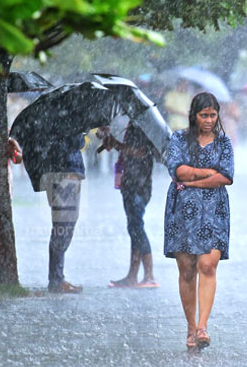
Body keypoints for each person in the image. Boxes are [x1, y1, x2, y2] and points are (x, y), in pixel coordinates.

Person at [164, 92, 233, 350]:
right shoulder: (179, 138)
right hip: (182, 212)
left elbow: (226, 176)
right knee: (187, 270)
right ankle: (190, 329)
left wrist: (191, 181)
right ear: (194, 115)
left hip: (214, 212)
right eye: (204, 115)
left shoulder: (224, 143)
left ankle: (203, 326)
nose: (209, 120)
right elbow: (176, 169)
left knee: (207, 265)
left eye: (213, 115)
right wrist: (207, 173)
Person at [100, 122, 159, 288]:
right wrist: (108, 137)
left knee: (136, 228)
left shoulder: (145, 127)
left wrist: (117, 145)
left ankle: (149, 276)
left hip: (138, 185)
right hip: (130, 183)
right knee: (134, 227)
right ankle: (132, 276)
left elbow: (140, 152)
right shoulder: (133, 126)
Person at [40, 133, 86, 293]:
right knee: (63, 227)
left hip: (60, 174)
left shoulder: (55, 117)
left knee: (62, 226)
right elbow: (73, 142)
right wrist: (80, 134)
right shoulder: (68, 120)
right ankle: (56, 280)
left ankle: (57, 278)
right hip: (65, 176)